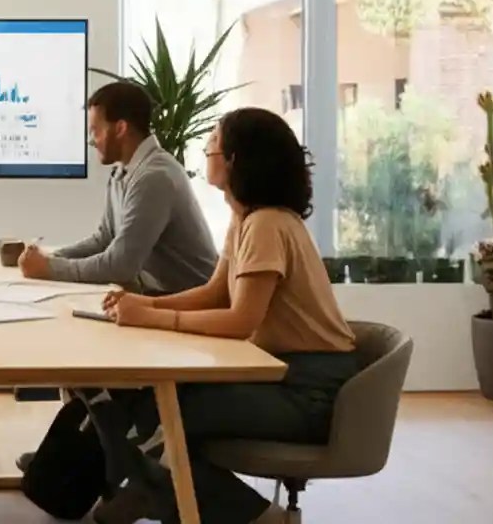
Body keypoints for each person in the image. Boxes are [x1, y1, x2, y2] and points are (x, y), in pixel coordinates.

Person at [35, 107, 358, 524]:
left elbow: (240, 319)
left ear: (235, 159)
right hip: (279, 373)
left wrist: (151, 317)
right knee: (134, 398)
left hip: (307, 391)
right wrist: (144, 305)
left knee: (155, 411)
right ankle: (150, 489)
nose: (205, 149)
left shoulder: (267, 225)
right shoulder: (245, 219)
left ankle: (255, 516)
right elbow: (214, 292)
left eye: (213, 142)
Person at [19, 81, 217, 295]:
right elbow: (105, 239)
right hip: (157, 296)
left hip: (190, 304)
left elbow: (120, 266)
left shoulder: (154, 177)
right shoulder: (123, 170)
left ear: (121, 128)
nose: (91, 141)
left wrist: (49, 269)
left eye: (95, 131)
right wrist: (52, 258)